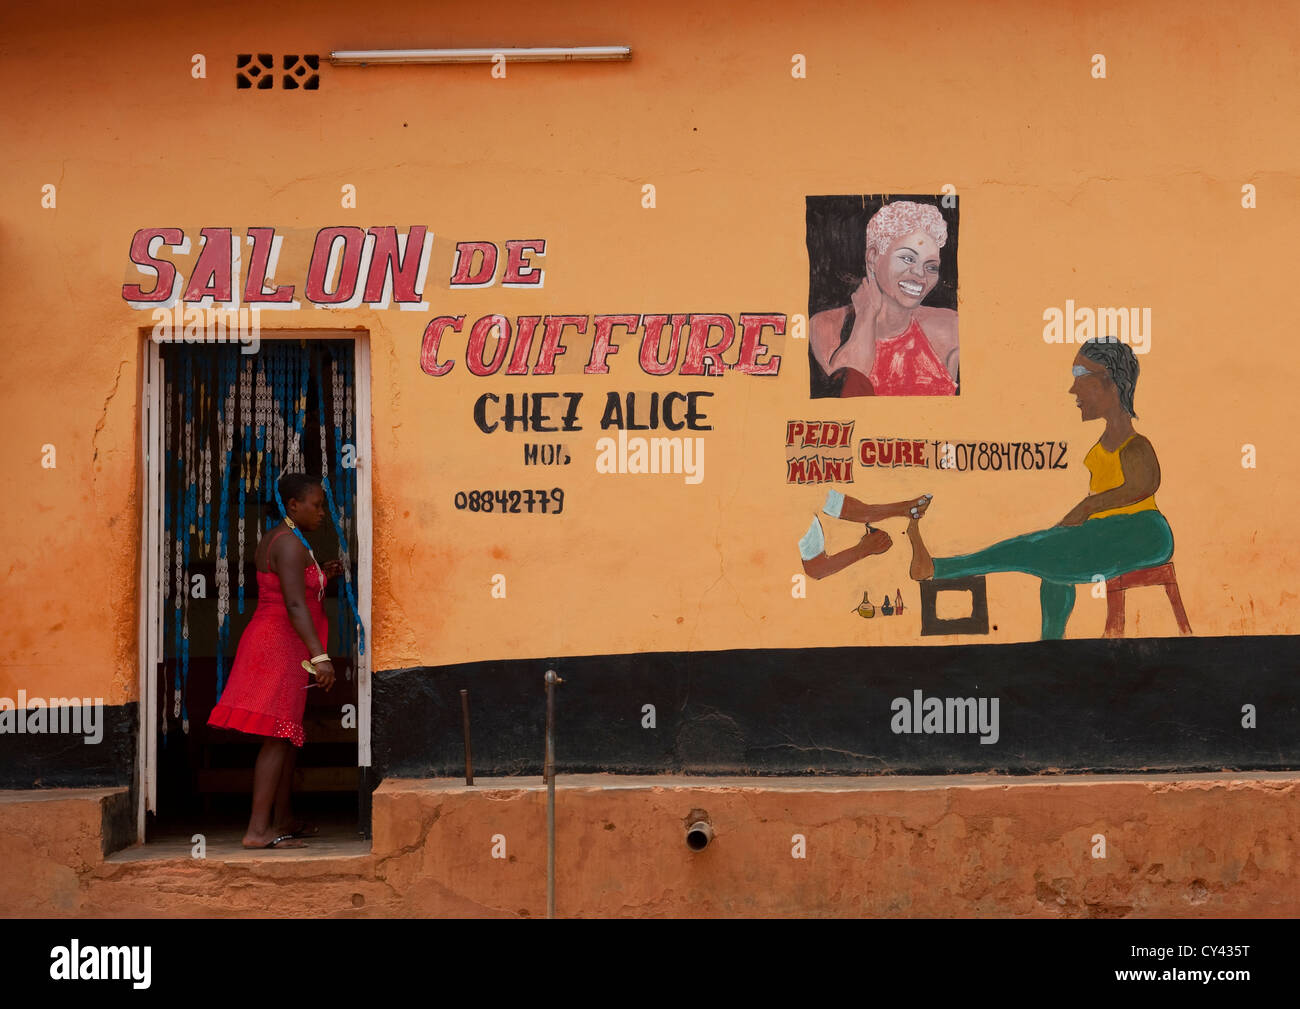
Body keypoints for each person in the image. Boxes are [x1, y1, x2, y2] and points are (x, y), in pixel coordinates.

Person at [905, 338, 1174, 639]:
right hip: (1107, 531)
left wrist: (1087, 507)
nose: (1074, 391)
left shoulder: (1135, 445)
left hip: (1143, 533)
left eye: (1080, 379)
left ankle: (938, 568)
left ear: (1109, 381)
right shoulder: (1104, 444)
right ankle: (1051, 644)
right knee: (1051, 561)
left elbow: (1144, 485)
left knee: (1036, 549)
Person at [208, 473, 343, 848]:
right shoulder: (289, 545)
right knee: (277, 738)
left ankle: (282, 819)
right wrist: (321, 657)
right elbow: (295, 604)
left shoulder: (283, 539)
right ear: (293, 506)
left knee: (284, 735)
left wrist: (321, 575)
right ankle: (257, 831)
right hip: (280, 647)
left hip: (280, 644)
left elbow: (296, 588)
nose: (322, 513)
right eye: (316, 505)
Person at [810, 200, 959, 397]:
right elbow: (848, 395)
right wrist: (867, 315)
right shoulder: (826, 326)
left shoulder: (949, 327)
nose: (920, 275)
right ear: (872, 256)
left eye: (931, 266)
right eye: (908, 258)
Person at [799, 490, 932, 578]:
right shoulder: (798, 516)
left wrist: (903, 508)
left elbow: (860, 511)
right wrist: (864, 549)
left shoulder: (808, 488)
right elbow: (816, 569)